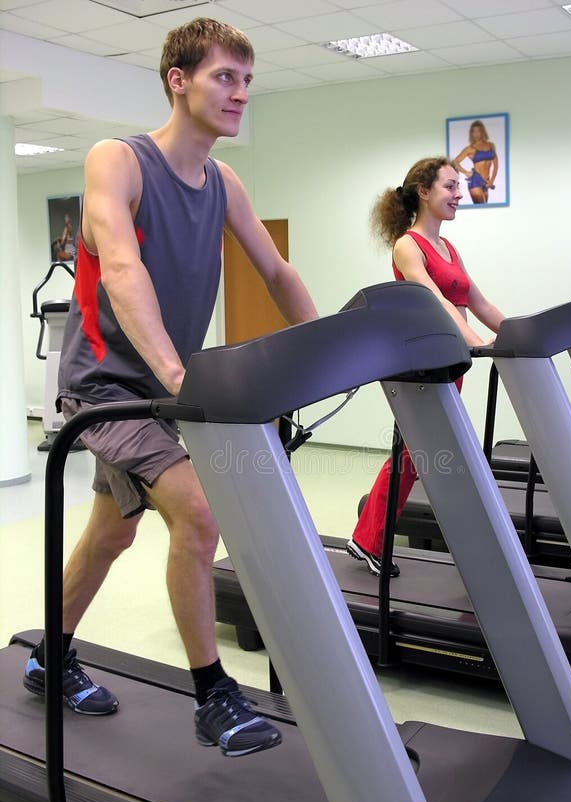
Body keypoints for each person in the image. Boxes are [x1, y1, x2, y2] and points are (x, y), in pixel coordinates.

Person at [23, 18, 318, 758]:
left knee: (111, 533)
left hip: (164, 388)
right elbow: (121, 271)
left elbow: (276, 271)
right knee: (199, 515)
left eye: (248, 80)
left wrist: (329, 352)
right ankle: (213, 697)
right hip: (106, 387)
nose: (241, 93)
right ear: (177, 80)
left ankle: (48, 658)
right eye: (225, 77)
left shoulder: (223, 181)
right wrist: (182, 379)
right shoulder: (117, 162)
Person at [346, 157, 504, 576]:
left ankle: (370, 539)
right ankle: (368, 540)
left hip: (451, 365)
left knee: (425, 454)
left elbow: (477, 302)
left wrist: (519, 334)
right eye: (451, 187)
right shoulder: (407, 245)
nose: (458, 195)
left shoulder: (449, 248)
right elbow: (434, 298)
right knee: (413, 455)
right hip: (422, 367)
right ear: (424, 191)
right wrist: (477, 342)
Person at [453, 120, 498, 204]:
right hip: (475, 180)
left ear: (482, 132)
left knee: (485, 208)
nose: (476, 134)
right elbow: (455, 162)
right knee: (481, 207)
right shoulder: (470, 148)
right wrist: (466, 172)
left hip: (487, 182)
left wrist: (491, 181)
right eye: (474, 131)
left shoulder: (491, 145)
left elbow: (495, 166)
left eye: (479, 131)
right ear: (471, 133)